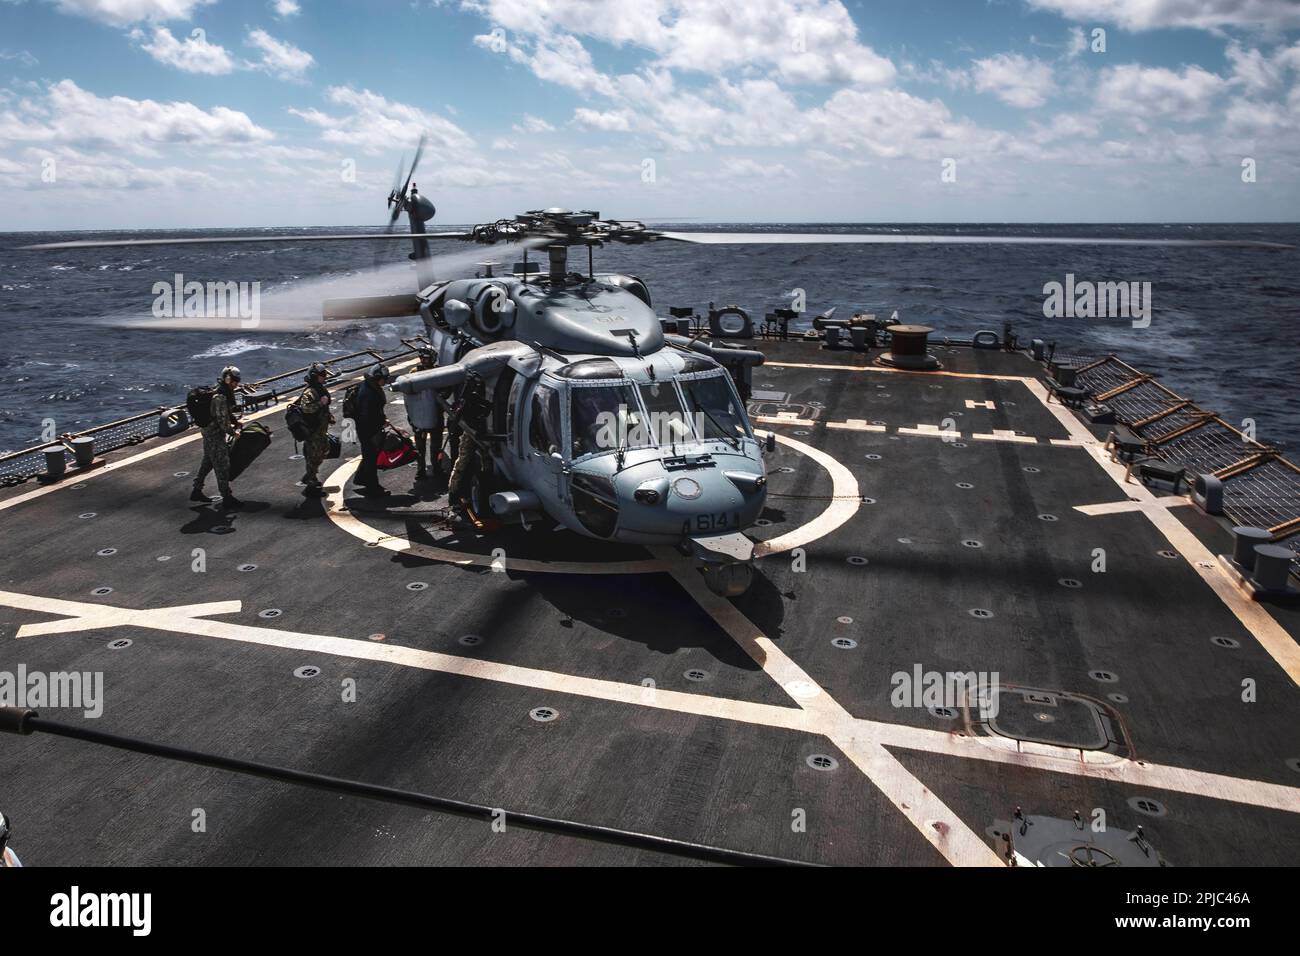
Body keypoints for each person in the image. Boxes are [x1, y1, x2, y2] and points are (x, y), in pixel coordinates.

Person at [191, 365, 243, 509]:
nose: (236, 384)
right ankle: (227, 497)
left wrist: (235, 421)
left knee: (208, 462)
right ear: (227, 379)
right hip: (214, 435)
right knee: (222, 465)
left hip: (208, 432)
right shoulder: (220, 396)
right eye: (234, 381)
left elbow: (225, 413)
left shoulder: (221, 392)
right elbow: (222, 420)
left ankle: (196, 490)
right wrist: (233, 432)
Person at [448, 371, 491, 515]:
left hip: (481, 430)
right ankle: (454, 494)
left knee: (480, 462)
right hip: (472, 431)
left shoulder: (470, 395)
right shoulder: (470, 398)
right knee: (462, 462)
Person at [403, 347, 444, 481]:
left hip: (436, 413)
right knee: (420, 446)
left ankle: (437, 467)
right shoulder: (414, 373)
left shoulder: (439, 373)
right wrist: (411, 416)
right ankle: (421, 470)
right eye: (421, 358)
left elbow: (446, 390)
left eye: (425, 358)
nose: (423, 360)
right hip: (420, 414)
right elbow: (408, 397)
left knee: (436, 445)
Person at [296, 362, 334, 497]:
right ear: (314, 376)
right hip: (313, 432)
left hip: (320, 431)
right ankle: (310, 487)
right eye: (322, 375)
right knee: (313, 457)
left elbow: (324, 407)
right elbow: (306, 408)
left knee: (324, 450)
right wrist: (320, 403)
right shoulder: (310, 392)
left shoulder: (320, 389)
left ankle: (311, 476)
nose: (325, 377)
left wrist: (329, 416)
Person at [353, 363, 392, 497]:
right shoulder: (368, 393)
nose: (385, 381)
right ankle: (372, 488)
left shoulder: (369, 387)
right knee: (370, 458)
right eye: (384, 378)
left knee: (369, 456)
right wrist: (381, 422)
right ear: (377, 377)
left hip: (367, 428)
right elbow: (368, 414)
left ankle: (361, 479)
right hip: (368, 430)